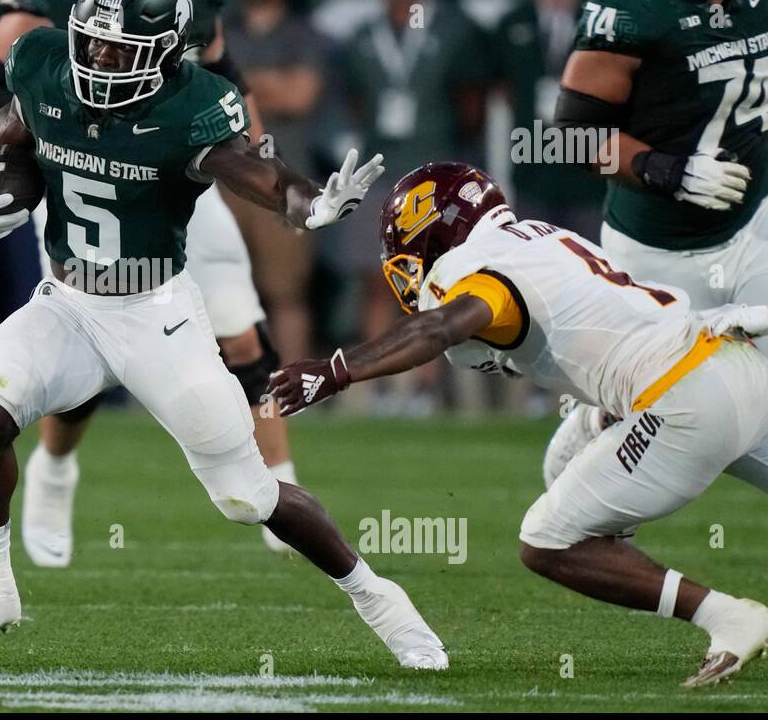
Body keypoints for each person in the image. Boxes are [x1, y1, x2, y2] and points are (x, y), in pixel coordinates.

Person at [0, 0, 447, 671]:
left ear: (166, 52)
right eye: (93, 40)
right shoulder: (46, 63)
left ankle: (375, 595)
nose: (100, 58)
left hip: (156, 315)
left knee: (246, 496)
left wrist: (308, 202)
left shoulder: (189, 105)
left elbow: (255, 171)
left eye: (121, 48)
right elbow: (6, 133)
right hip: (67, 304)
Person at [269, 162, 768, 687]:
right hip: (728, 361)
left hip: (682, 399)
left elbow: (441, 325)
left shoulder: (475, 271)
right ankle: (604, 422)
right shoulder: (535, 236)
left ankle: (728, 616)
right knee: (565, 458)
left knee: (547, 542)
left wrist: (337, 370)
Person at [0, 0, 301, 562]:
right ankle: (56, 469)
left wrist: (257, 160)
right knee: (82, 350)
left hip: (172, 166)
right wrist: (9, 158)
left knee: (242, 334)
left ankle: (278, 485)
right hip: (81, 175)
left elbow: (224, 75)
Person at [545, 0, 768, 485]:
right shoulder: (629, 12)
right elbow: (566, 136)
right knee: (656, 401)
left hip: (752, 223)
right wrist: (662, 168)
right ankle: (596, 425)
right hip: (656, 243)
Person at [340, 0, 488, 413]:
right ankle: (376, 384)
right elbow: (356, 101)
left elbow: (471, 106)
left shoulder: (451, 30)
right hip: (382, 169)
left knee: (431, 279)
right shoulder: (366, 33)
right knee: (374, 275)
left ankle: (423, 385)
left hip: (434, 174)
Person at [223, 0, 326, 361]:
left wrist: (239, 86)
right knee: (218, 292)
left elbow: (300, 96)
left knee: (286, 293)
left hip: (286, 177)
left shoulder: (304, 33)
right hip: (225, 175)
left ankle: (294, 383)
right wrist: (268, 85)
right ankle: (221, 388)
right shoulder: (221, 28)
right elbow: (206, 91)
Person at [493, 0, 602, 240]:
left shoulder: (600, 20)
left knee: (592, 275)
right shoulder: (513, 22)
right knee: (536, 278)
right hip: (533, 172)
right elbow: (502, 90)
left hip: (590, 176)